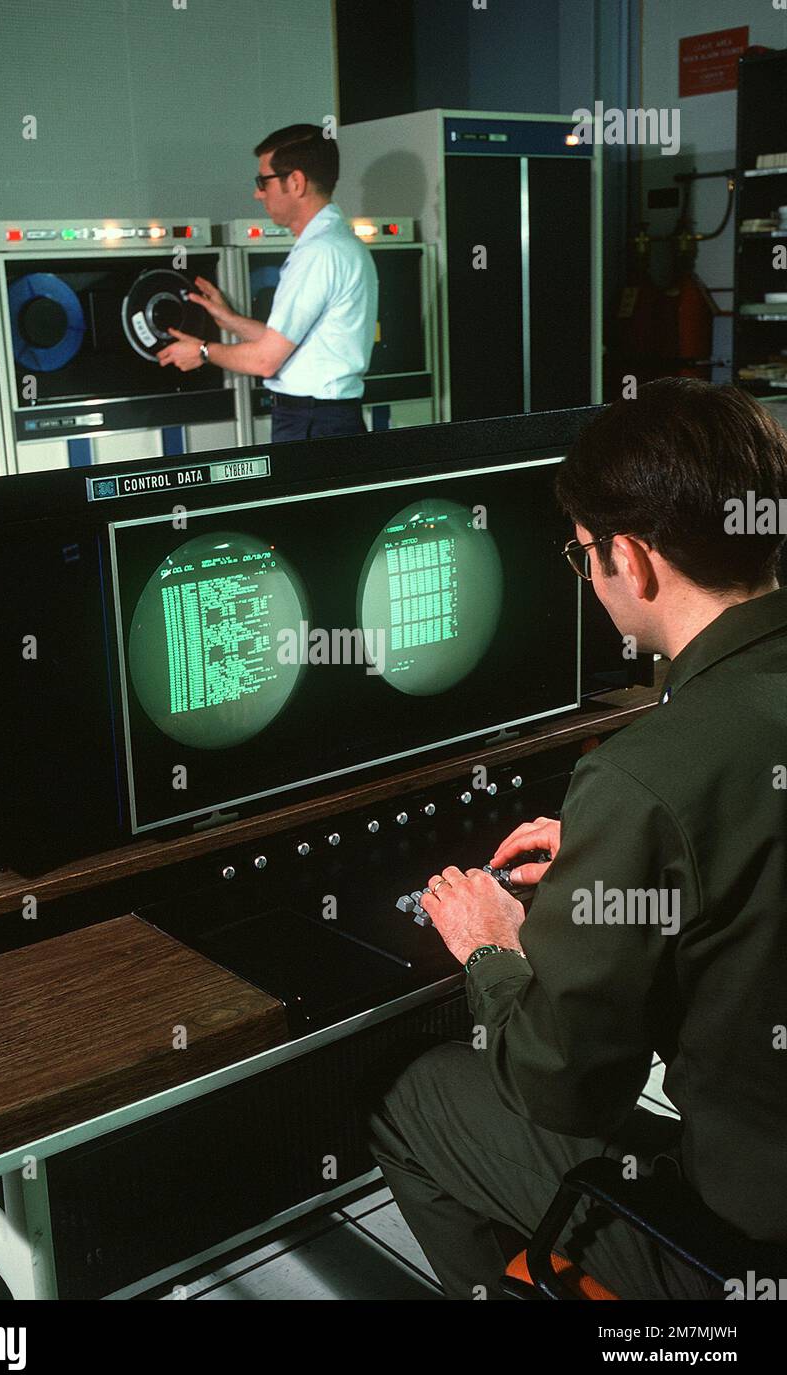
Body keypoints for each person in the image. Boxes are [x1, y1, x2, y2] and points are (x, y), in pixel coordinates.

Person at [369, 378, 787, 1300]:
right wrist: (626, 856)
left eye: (582, 554)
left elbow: (569, 1086)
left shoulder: (645, 775)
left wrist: (491, 947)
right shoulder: (667, 781)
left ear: (631, 561)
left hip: (747, 1250)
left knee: (423, 1101)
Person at [157, 123, 378, 443]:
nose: (257, 193)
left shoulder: (320, 253)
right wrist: (230, 320)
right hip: (324, 417)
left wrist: (203, 352)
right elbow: (290, 345)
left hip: (313, 423)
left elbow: (265, 360)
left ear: (296, 182)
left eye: (264, 181)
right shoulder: (337, 244)